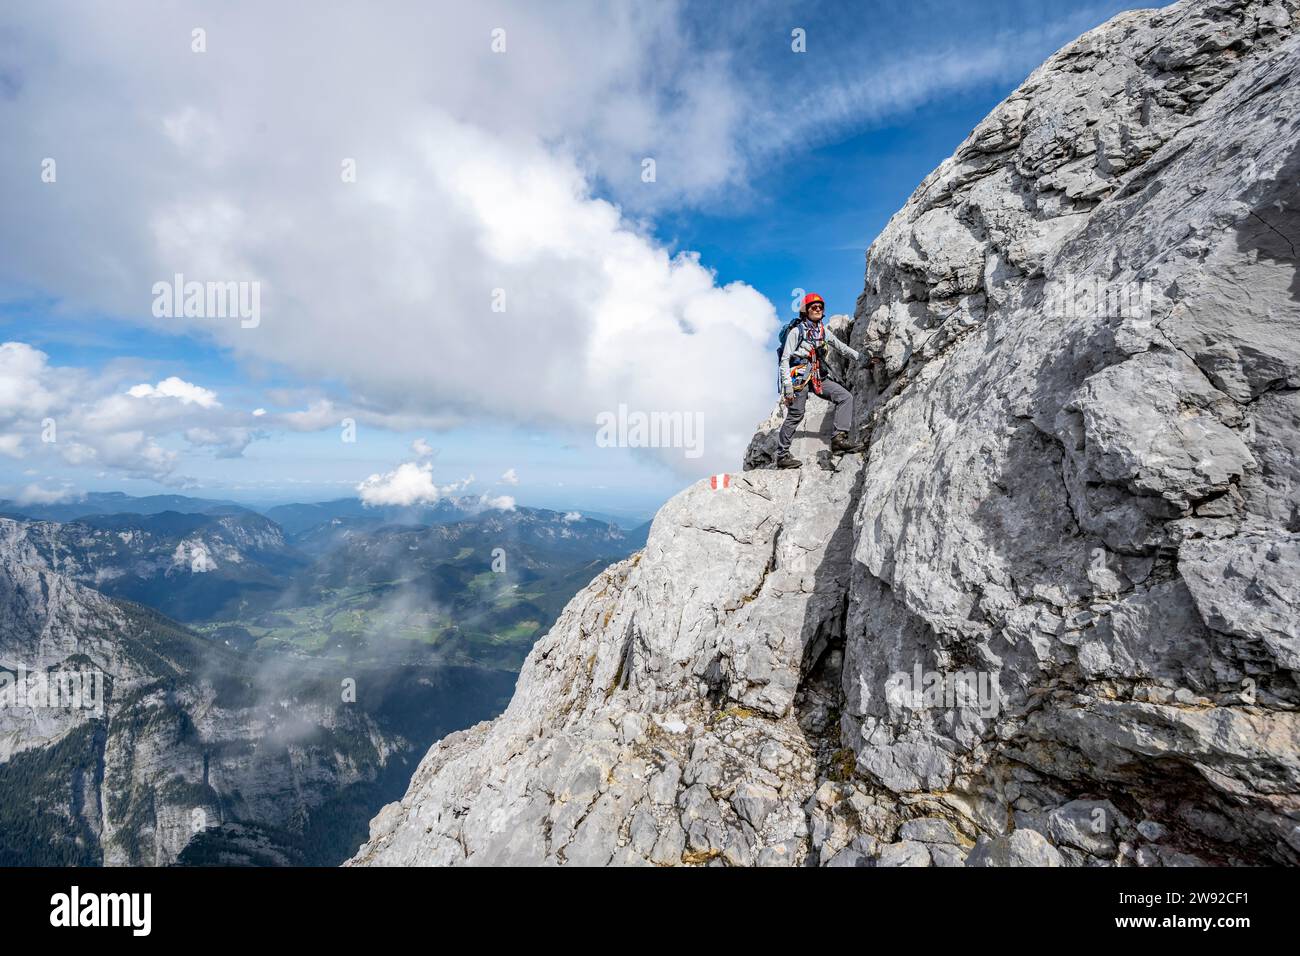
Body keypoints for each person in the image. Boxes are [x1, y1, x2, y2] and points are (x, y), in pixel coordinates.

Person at [773, 293, 871, 469]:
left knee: (845, 397)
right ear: (806, 311)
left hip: (816, 375)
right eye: (814, 307)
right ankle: (782, 455)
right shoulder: (797, 331)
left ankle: (838, 439)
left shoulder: (822, 331)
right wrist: (787, 386)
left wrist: (863, 359)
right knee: (796, 414)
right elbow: (785, 359)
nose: (818, 309)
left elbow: (842, 348)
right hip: (799, 377)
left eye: (820, 307)